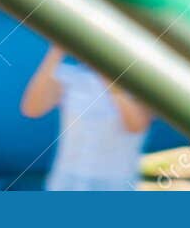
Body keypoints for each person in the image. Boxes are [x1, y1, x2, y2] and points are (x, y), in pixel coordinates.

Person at [21, 47, 151, 191]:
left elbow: (136, 126)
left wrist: (105, 73)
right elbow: (32, 110)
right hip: (66, 183)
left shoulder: (140, 80)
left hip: (116, 184)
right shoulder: (69, 75)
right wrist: (57, 50)